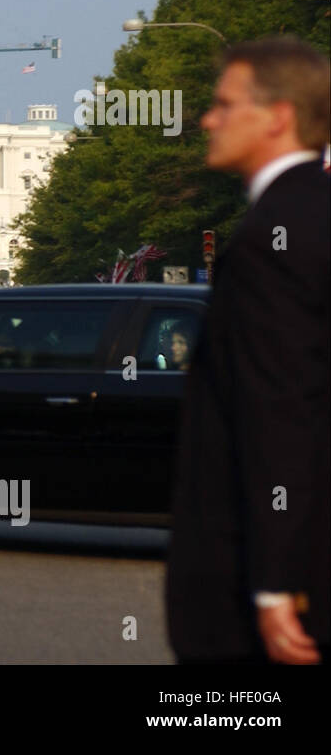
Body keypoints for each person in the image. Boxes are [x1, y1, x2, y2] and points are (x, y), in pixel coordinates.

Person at [167, 37, 330, 665]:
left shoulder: (271, 243)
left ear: (278, 116)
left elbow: (280, 416)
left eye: (224, 104)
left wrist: (275, 584)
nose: (208, 118)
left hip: (262, 589)